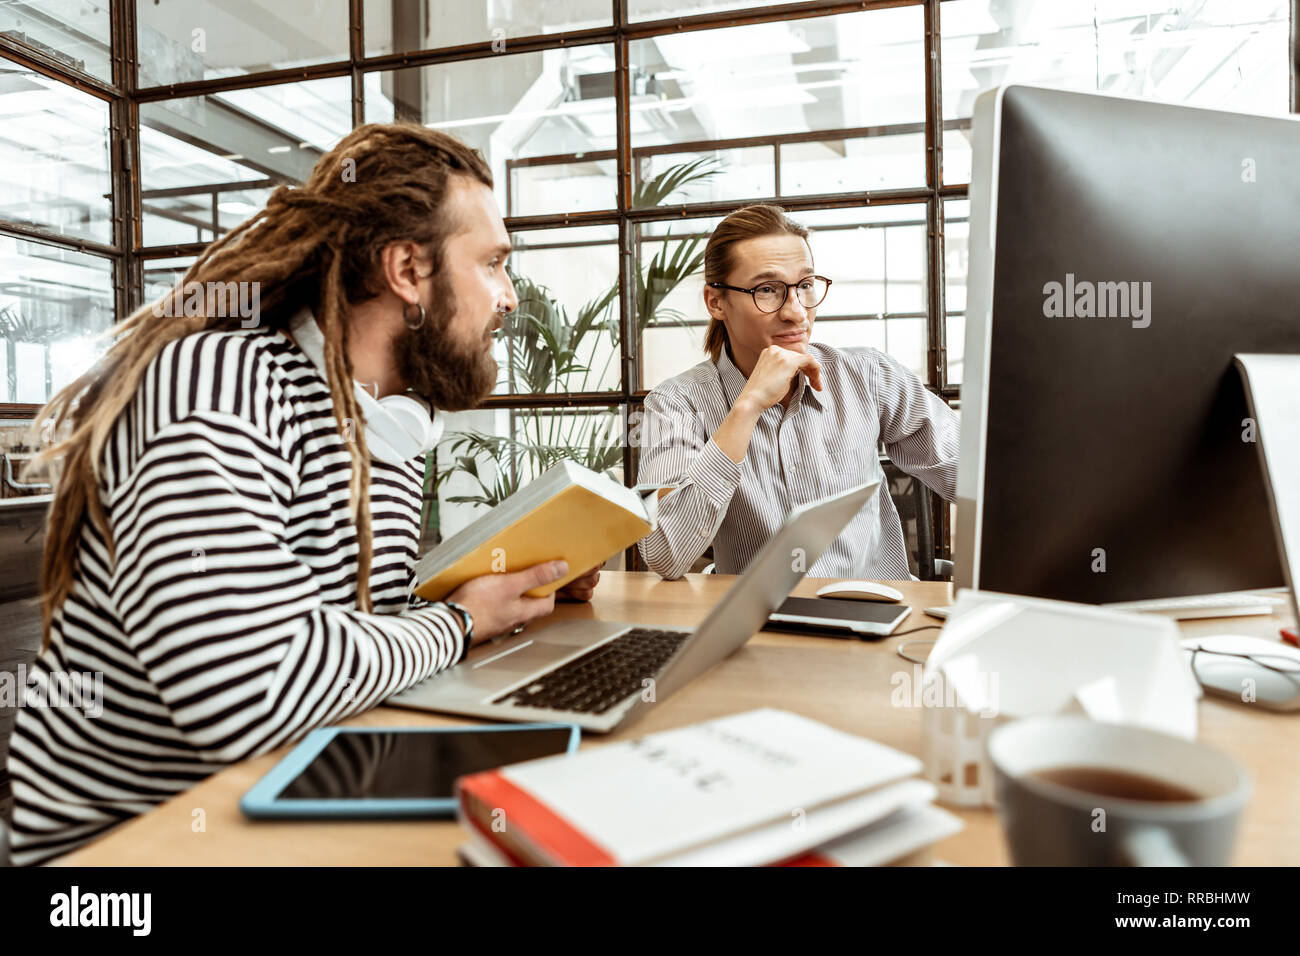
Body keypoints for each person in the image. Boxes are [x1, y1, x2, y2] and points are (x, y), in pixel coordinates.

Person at [5, 124, 598, 865]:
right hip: (122, 854)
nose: (509, 298)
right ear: (409, 270)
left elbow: (337, 631)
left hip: (287, 790)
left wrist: (506, 590)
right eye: (494, 264)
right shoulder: (217, 387)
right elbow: (249, 689)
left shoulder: (378, 418)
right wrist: (455, 624)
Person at [637, 204, 958, 580]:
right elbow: (664, 554)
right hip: (757, 625)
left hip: (874, 615)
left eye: (805, 286)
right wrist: (748, 407)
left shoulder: (870, 377)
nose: (796, 312)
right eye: (767, 290)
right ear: (716, 301)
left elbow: (982, 482)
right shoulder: (677, 403)